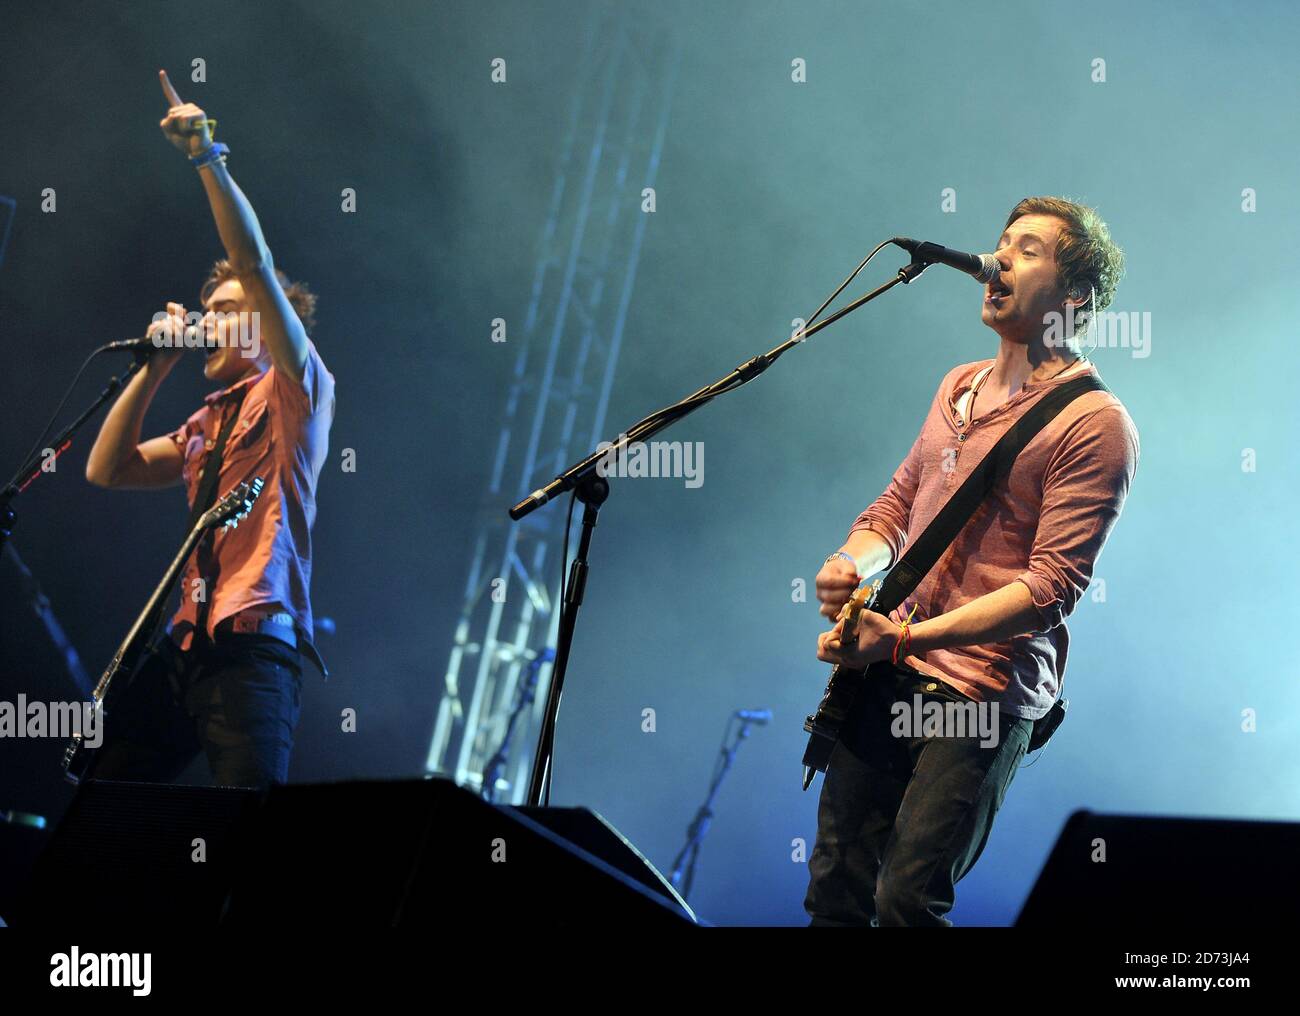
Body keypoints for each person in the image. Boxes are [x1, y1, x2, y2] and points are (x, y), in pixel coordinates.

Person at [804, 197, 1139, 926]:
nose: (995, 261)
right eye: (999, 245)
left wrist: (901, 638)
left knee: (905, 902)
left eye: (1026, 251)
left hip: (981, 694)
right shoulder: (957, 386)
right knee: (834, 887)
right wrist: (850, 561)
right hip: (889, 672)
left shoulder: (1095, 423)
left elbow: (1049, 590)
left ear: (1074, 294)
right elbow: (897, 508)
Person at [82, 70, 335, 788]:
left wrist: (206, 157)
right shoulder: (207, 420)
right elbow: (109, 470)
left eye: (225, 309)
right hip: (182, 646)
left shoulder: (296, 389)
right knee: (107, 808)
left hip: (253, 650)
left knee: (246, 839)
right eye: (206, 308)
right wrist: (154, 369)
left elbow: (252, 263)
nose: (208, 319)